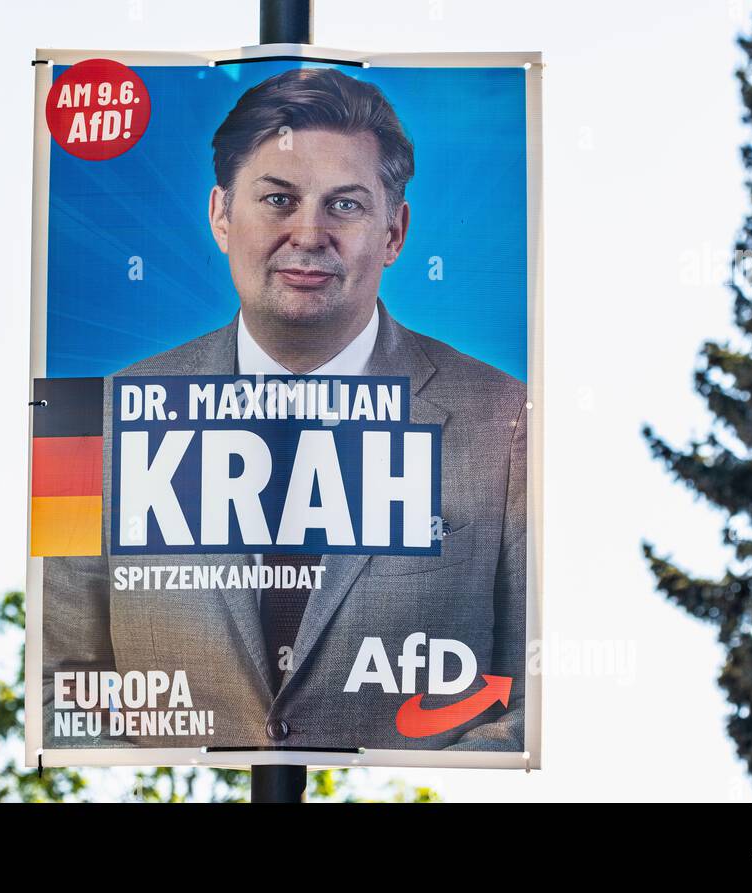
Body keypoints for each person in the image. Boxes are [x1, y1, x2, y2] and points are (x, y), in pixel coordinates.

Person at [43, 67, 527, 751]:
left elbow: (534, 699)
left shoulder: (508, 418)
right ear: (220, 214)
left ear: (395, 231)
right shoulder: (88, 423)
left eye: (347, 205)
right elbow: (55, 689)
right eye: (277, 198)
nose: (309, 232)